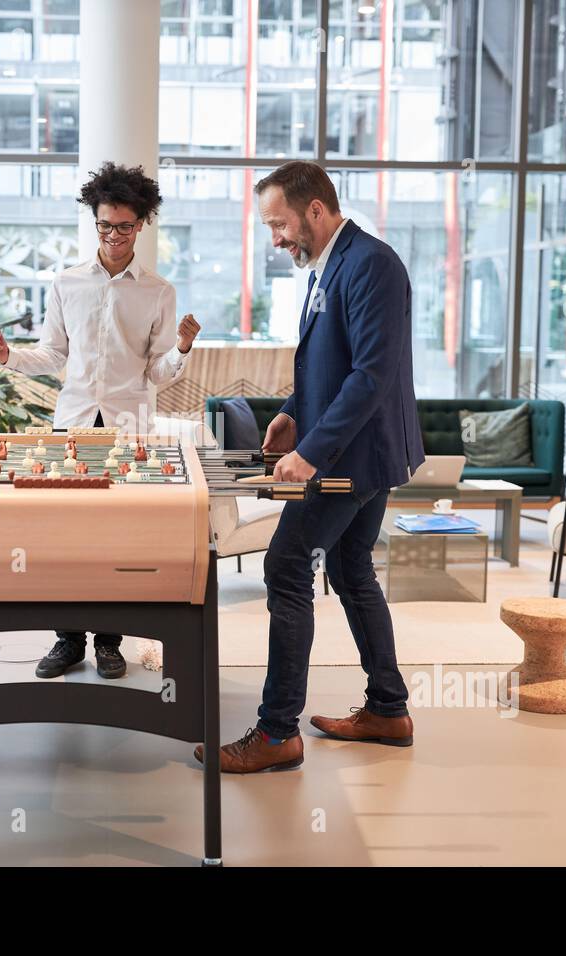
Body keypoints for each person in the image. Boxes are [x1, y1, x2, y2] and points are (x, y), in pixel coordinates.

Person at [194, 161, 425, 773]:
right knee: (351, 572)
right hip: (353, 448)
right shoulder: (331, 263)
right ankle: (388, 708)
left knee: (287, 564)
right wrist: (293, 414)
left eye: (279, 223)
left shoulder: (372, 263)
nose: (275, 238)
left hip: (355, 455)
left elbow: (371, 375)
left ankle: (276, 734)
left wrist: (310, 452)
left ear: (315, 210)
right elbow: (331, 361)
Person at [0, 161, 200, 680]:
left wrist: (184, 347)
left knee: (117, 541)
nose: (115, 235)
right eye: (105, 225)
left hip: (129, 428)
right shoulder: (67, 283)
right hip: (72, 426)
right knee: (63, 539)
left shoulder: (158, 292)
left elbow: (159, 371)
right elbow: (52, 354)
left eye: (125, 226)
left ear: (141, 224)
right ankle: (67, 641)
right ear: (94, 222)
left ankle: (109, 643)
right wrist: (10, 356)